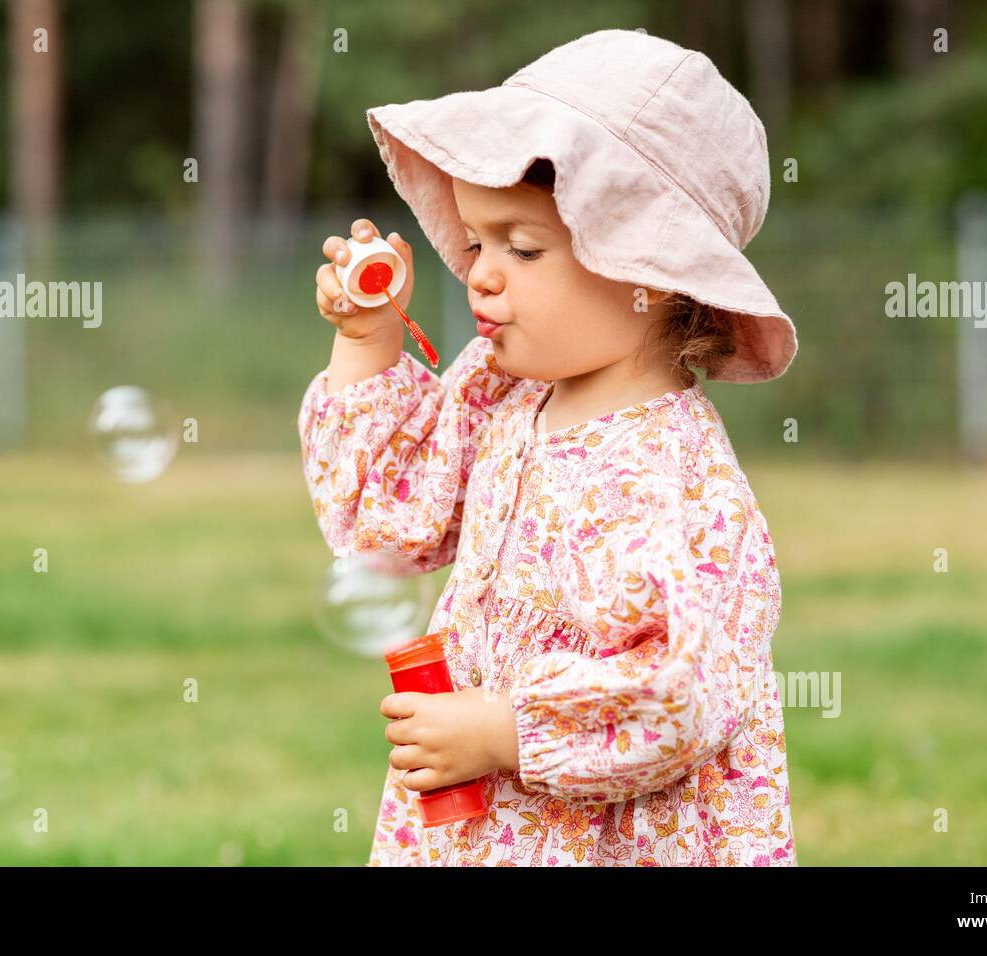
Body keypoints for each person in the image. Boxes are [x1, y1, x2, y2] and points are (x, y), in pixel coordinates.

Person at [300, 28, 798, 866]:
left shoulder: (676, 478)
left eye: (522, 248)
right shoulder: (502, 388)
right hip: (488, 832)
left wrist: (504, 730)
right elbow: (388, 522)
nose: (479, 275)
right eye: (475, 241)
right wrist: (367, 340)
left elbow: (683, 691)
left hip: (605, 840)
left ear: (650, 271)